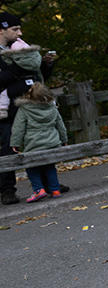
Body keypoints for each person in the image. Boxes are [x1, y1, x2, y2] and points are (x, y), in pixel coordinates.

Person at [1, 11, 58, 205]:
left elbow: (36, 76)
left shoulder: (18, 48)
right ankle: (7, 191)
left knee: (38, 142)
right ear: (2, 29)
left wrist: (46, 66)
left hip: (30, 106)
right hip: (6, 110)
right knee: (8, 148)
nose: (20, 33)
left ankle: (48, 185)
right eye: (15, 29)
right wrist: (16, 71)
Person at [8, 82, 67, 202]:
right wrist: (64, 139)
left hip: (33, 144)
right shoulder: (52, 107)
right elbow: (60, 125)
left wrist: (15, 143)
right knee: (50, 166)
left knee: (32, 167)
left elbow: (18, 128)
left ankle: (38, 190)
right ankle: (55, 190)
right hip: (52, 143)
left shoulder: (24, 109)